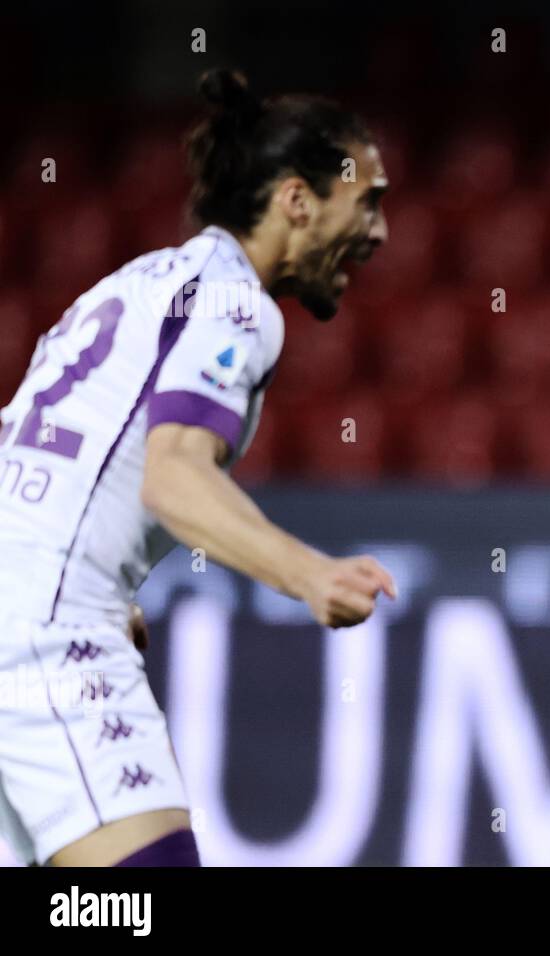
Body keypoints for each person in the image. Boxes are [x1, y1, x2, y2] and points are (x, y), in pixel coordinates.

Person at [0, 69, 396, 867]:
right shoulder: (236, 305)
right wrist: (307, 573)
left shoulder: (138, 283)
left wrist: (73, 568)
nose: (381, 231)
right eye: (369, 198)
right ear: (297, 200)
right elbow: (173, 475)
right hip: (48, 633)